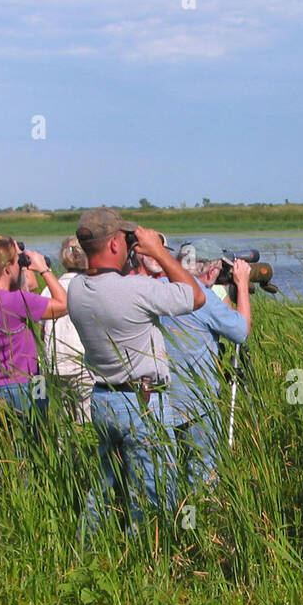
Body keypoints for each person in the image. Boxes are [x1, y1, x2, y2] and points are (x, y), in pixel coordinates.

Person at [67, 208, 204, 534]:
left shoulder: (76, 288)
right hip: (141, 402)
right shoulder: (135, 289)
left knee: (107, 481)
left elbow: (111, 282)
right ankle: (147, 558)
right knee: (153, 491)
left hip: (103, 399)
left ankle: (87, 547)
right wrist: (157, 250)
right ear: (115, 244)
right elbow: (195, 296)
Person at [161, 239, 252, 487]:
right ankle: (197, 520)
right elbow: (241, 331)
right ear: (212, 271)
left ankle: (169, 518)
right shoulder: (204, 298)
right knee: (202, 471)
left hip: (156, 399)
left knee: (165, 471)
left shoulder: (157, 287)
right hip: (196, 401)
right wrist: (242, 285)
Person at [0, 237, 66, 446]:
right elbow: (63, 304)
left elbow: (25, 286)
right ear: (6, 268)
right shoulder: (17, 301)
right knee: (36, 444)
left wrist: (18, 266)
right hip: (27, 384)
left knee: (2, 448)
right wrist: (44, 269)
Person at [41, 236, 94, 424]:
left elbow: (42, 329)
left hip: (55, 361)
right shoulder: (90, 286)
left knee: (61, 417)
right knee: (86, 414)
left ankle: (63, 450)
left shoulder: (50, 288)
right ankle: (87, 449)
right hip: (82, 362)